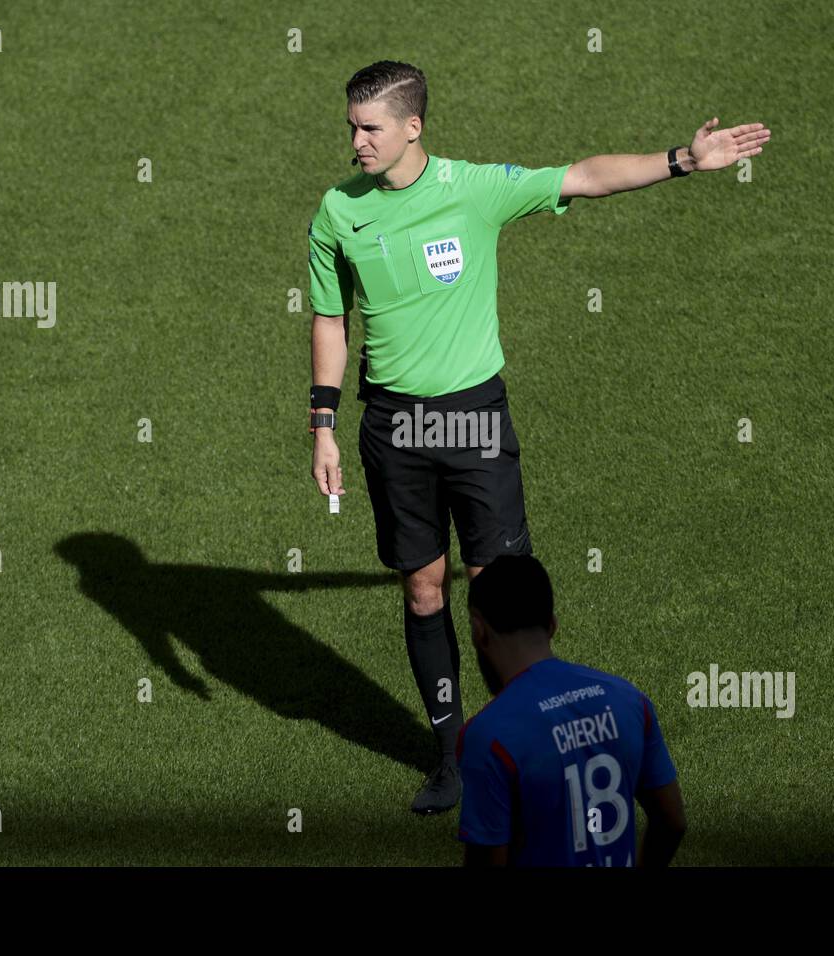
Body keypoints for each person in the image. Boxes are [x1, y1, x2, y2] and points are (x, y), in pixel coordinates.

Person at [306, 60, 768, 814]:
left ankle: (523, 746)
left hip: (475, 420)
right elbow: (331, 317)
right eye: (352, 127)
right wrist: (323, 424)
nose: (355, 141)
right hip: (394, 424)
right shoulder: (338, 211)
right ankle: (451, 757)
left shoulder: (475, 190)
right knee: (424, 591)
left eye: (369, 129)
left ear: (411, 128)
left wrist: (684, 159)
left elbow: (582, 176)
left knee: (498, 596)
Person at [457, 554, 687, 866]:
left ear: (478, 630)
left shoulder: (489, 736)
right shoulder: (628, 700)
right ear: (552, 625)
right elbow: (672, 821)